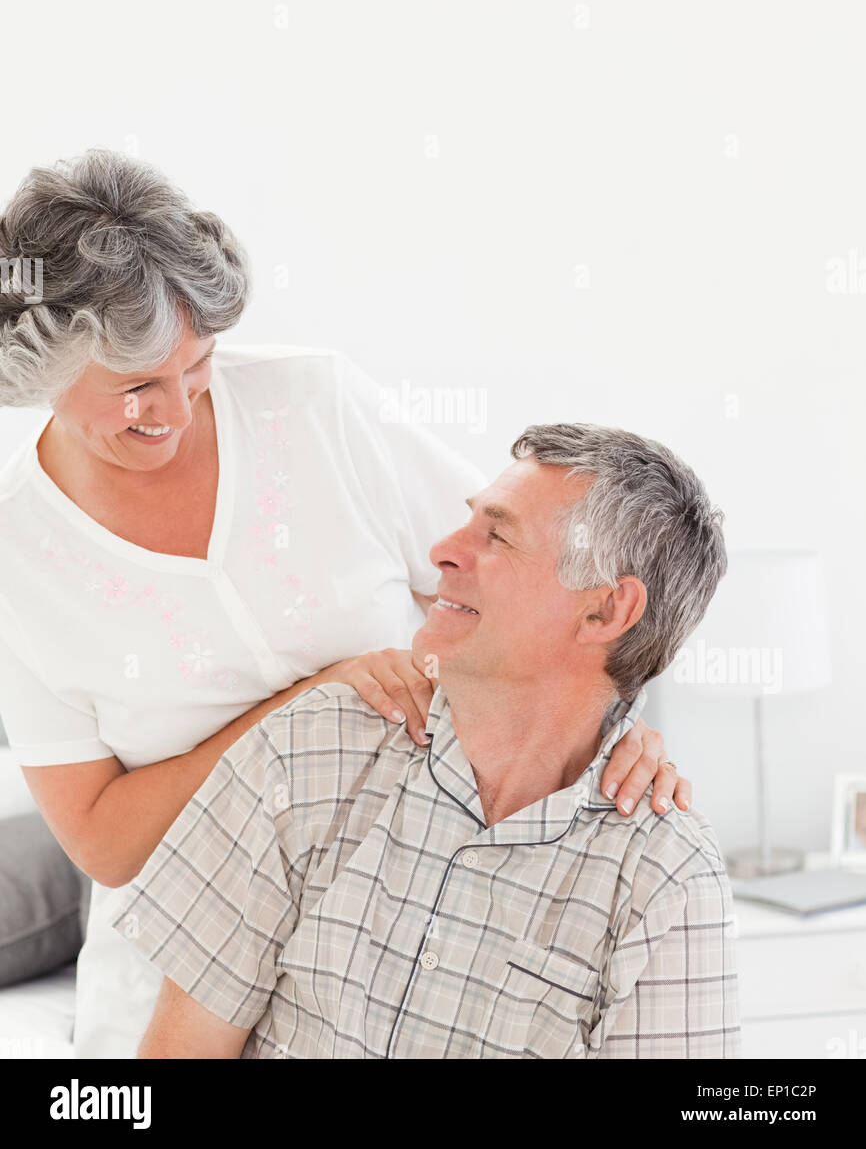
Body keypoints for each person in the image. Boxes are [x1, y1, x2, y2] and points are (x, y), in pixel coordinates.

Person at [0, 149, 685, 1058]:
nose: (175, 410)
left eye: (196, 365)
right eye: (135, 388)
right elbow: (103, 841)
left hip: (396, 958)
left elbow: (524, 588)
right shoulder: (20, 553)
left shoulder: (311, 402)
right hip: (171, 989)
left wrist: (612, 722)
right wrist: (314, 706)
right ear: (41, 366)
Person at [115, 421, 740, 1059]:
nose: (442, 549)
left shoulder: (666, 878)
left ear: (605, 611)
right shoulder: (314, 748)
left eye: (497, 535)